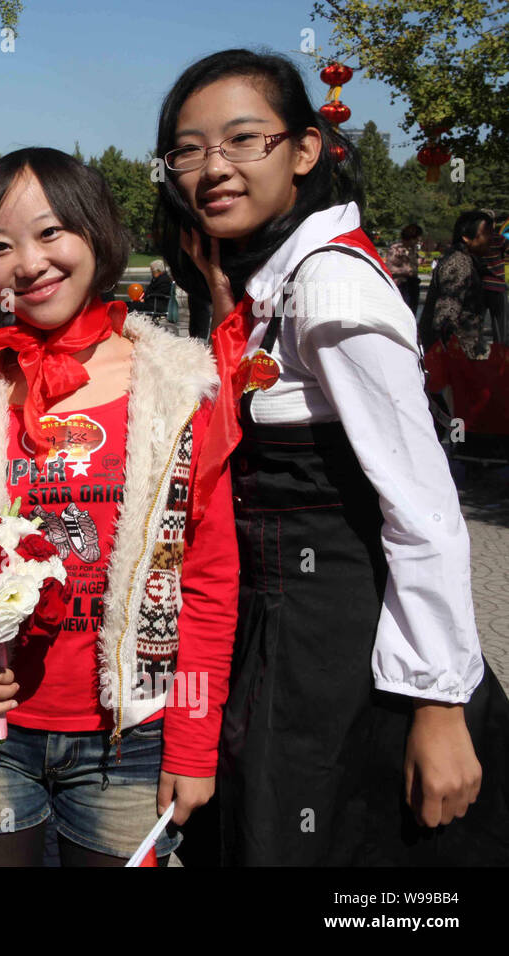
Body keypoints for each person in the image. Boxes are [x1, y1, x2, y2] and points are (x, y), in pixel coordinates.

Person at [156, 48, 509, 865]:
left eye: (245, 141)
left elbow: (421, 508)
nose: (213, 168)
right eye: (189, 149)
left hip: (345, 658)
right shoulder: (278, 285)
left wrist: (438, 706)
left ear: (305, 151)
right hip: (288, 644)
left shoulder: (330, 291)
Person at [0, 148, 237, 867]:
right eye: (0, 246)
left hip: (133, 741)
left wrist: (191, 740)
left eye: (51, 232)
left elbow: (210, 580)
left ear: (96, 232)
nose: (28, 263)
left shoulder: (181, 384)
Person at [419, 210, 496, 357]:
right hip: (455, 357)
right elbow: (445, 318)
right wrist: (453, 355)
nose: (491, 238)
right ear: (466, 236)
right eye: (487, 233)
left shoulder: (468, 260)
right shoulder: (458, 263)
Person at [479, 211, 506, 345]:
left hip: (480, 286)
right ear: (493, 223)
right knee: (500, 325)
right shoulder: (499, 239)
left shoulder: (476, 239)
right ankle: (499, 355)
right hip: (497, 286)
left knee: (477, 324)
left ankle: (475, 354)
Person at [385, 223, 423, 314]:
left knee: (412, 311)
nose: (419, 240)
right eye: (417, 237)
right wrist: (406, 271)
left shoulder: (412, 249)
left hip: (412, 284)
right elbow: (389, 269)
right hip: (401, 285)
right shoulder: (396, 249)